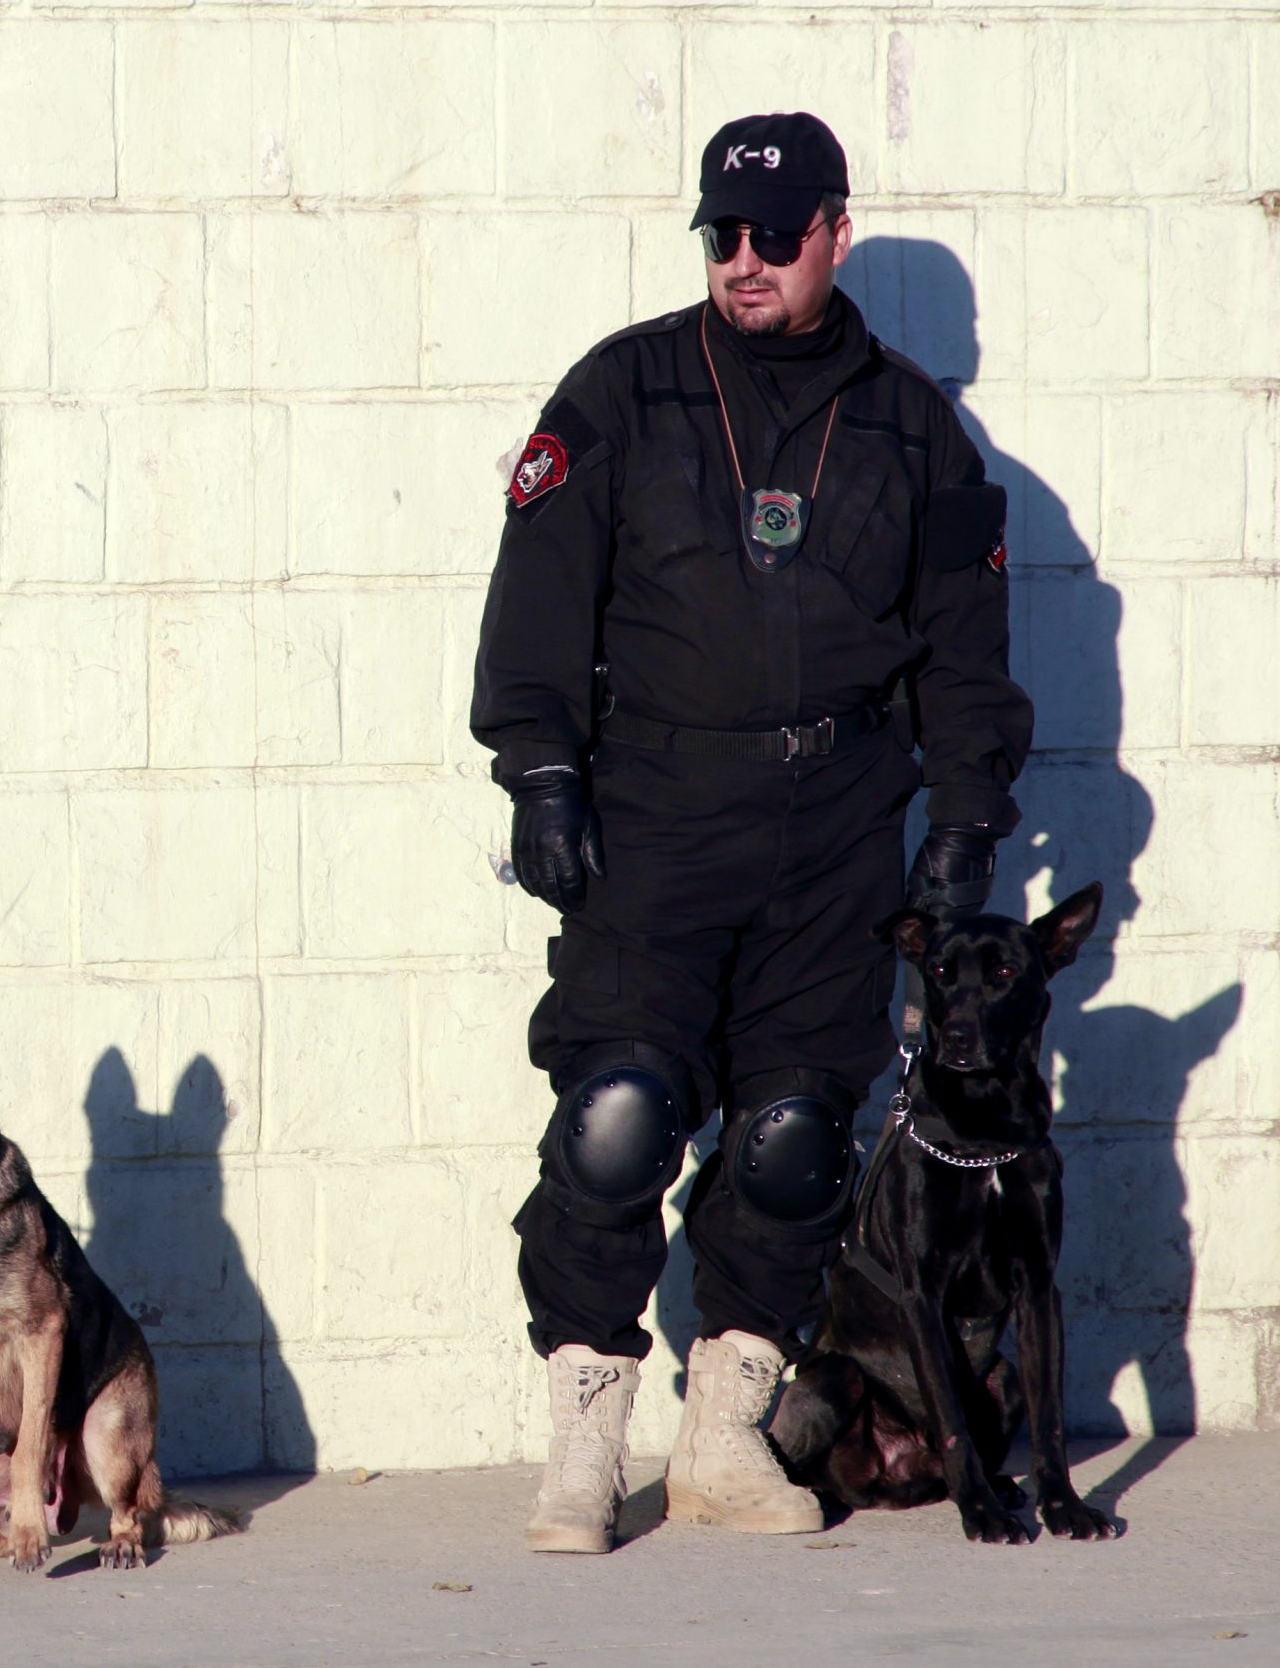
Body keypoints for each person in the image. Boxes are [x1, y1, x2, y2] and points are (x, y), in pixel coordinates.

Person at [470, 112, 1032, 1553]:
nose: (744, 260)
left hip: (836, 824)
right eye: (721, 234)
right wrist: (540, 769)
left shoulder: (914, 427)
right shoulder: (623, 391)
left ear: (834, 233)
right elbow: (539, 591)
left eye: (774, 236)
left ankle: (725, 1434)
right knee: (616, 1123)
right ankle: (587, 1442)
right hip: (656, 812)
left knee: (792, 1137)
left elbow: (965, 653)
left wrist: (965, 823)